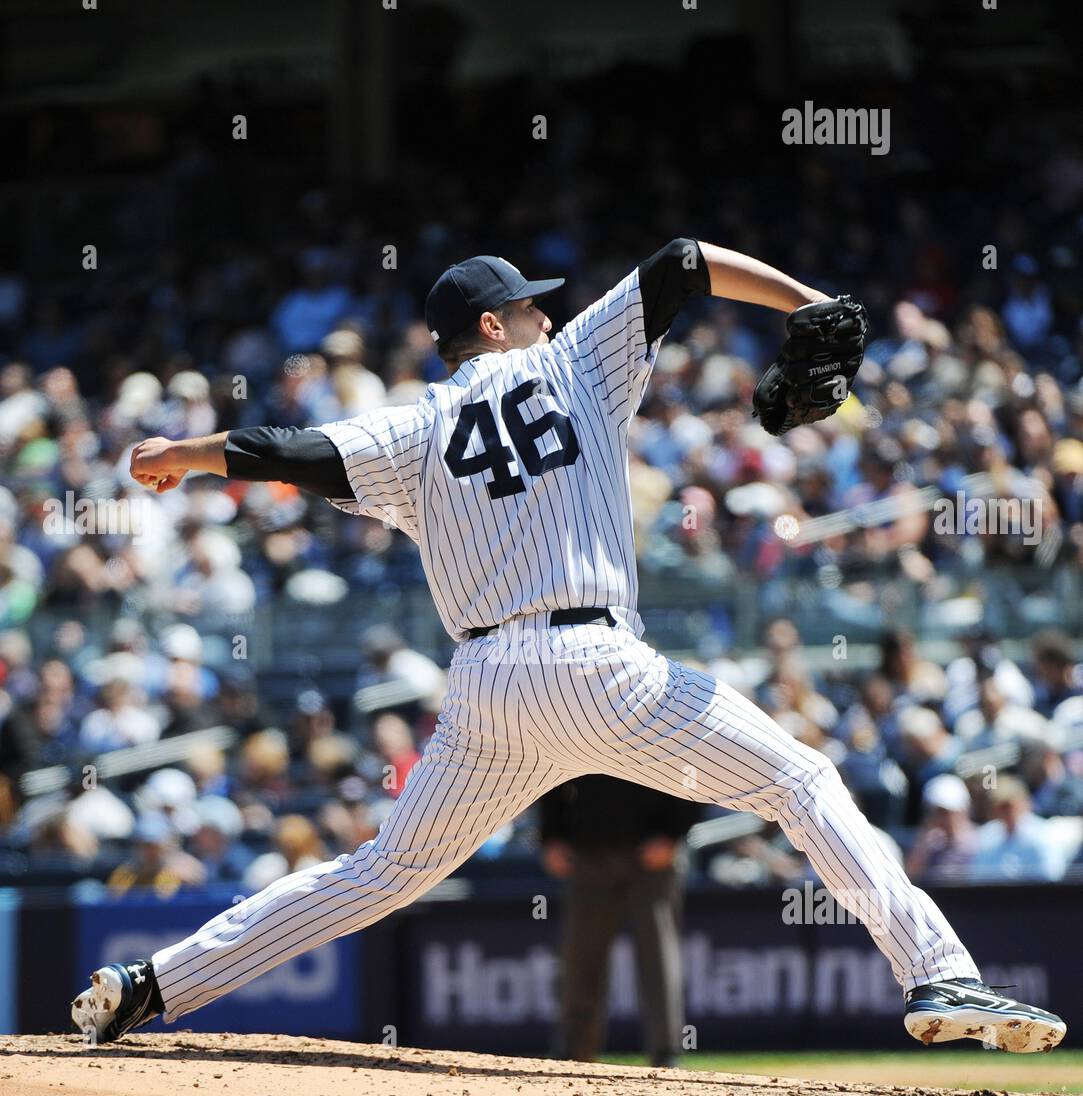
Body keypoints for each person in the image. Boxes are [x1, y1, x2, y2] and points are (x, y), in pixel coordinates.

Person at [72, 238, 1065, 1054]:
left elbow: (280, 450)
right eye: (532, 306)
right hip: (594, 663)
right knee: (800, 782)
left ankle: (150, 985)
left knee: (377, 873)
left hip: (486, 689)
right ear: (496, 325)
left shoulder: (411, 429)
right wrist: (812, 302)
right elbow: (682, 261)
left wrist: (180, 458)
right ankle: (942, 974)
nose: (549, 313)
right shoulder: (572, 358)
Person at [540, 775, 699, 1067]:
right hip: (588, 853)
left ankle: (666, 1053)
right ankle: (573, 1053)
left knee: (658, 957)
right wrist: (551, 836)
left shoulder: (661, 726)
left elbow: (688, 770)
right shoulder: (578, 728)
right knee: (580, 958)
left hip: (652, 856)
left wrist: (673, 834)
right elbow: (553, 771)